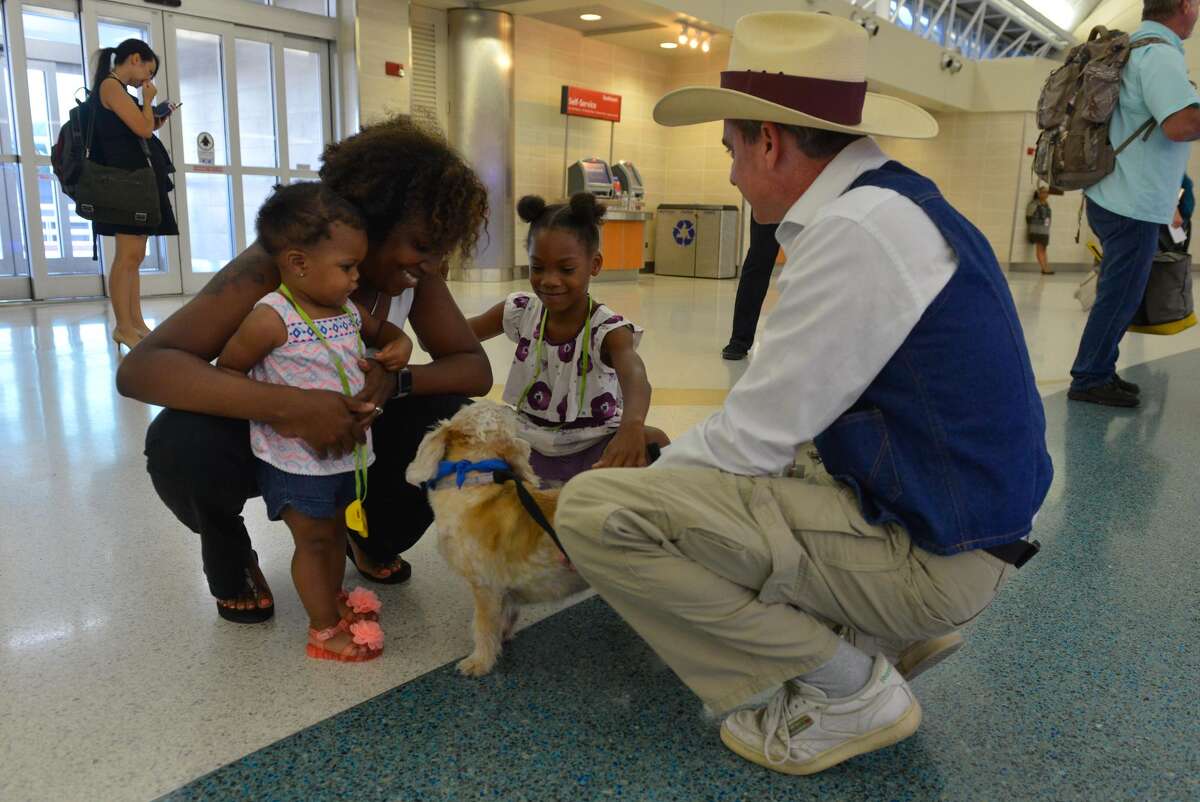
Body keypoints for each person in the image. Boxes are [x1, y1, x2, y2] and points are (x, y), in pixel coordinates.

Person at [555, 12, 1052, 777]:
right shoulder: (900, 205)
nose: (728, 172)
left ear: (769, 141)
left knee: (598, 514)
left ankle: (853, 688)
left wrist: (641, 493)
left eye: (729, 149)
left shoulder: (858, 232)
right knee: (738, 473)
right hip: (953, 525)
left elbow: (750, 440)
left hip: (932, 560)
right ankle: (879, 638)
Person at [116, 117, 492, 623]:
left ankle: (369, 535)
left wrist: (394, 381)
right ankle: (231, 555)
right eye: (423, 246)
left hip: (357, 443)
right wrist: (291, 408)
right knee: (179, 442)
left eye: (442, 250)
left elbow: (473, 369)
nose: (432, 264)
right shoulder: (279, 265)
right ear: (371, 223)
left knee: (455, 422)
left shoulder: (411, 278)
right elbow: (143, 369)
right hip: (269, 442)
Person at [213, 183, 414, 660]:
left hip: (346, 454)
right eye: (347, 267)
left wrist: (398, 350)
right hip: (295, 460)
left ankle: (333, 601)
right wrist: (284, 410)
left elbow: (389, 335)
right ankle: (323, 629)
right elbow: (228, 373)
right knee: (315, 540)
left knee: (334, 533)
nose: (355, 277)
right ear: (300, 264)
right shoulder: (271, 318)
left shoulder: (347, 309)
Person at [468, 193, 668, 485]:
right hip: (526, 441)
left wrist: (632, 425)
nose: (549, 280)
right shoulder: (521, 311)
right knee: (462, 431)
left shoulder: (608, 329)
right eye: (538, 268)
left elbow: (635, 375)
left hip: (593, 445)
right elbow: (455, 336)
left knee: (654, 442)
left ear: (595, 265)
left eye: (566, 269)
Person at [1070, 0, 1200, 408]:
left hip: (1116, 193)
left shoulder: (1134, 48)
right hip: (1131, 202)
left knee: (1120, 291)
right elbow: (1180, 124)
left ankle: (1099, 369)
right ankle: (1090, 377)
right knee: (1120, 295)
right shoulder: (1160, 56)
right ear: (1184, 5)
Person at [91, 39, 180, 351]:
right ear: (134, 59)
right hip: (123, 182)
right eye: (147, 72)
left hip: (134, 179)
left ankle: (136, 322)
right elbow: (142, 130)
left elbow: (140, 127)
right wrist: (148, 101)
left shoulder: (118, 90)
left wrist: (156, 115)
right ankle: (123, 326)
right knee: (127, 256)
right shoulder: (111, 87)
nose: (147, 81)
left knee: (135, 256)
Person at [721, 218, 779, 360]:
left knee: (812, 262)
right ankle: (740, 340)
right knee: (757, 261)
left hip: (813, 201)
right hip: (772, 200)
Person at [1026, 186, 1054, 275]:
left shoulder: (1046, 204)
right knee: (1040, 248)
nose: (1046, 194)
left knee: (1044, 249)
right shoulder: (1034, 203)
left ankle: (1046, 267)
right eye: (1044, 192)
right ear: (1039, 194)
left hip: (1045, 230)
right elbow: (1029, 217)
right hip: (1037, 230)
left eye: (1047, 192)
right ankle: (1043, 268)